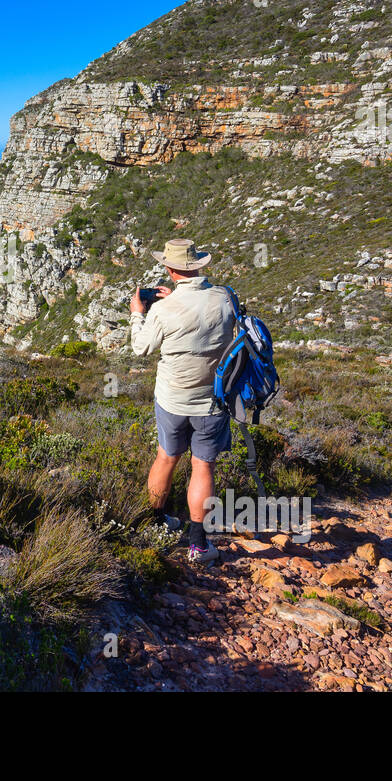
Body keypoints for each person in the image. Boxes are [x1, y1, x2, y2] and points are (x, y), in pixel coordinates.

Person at [129, 237, 237, 564]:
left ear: (169, 269)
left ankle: (156, 522)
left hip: (172, 399)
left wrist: (138, 314)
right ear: (199, 266)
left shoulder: (163, 309)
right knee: (203, 466)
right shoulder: (226, 297)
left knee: (166, 458)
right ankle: (199, 545)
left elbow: (141, 348)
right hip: (212, 401)